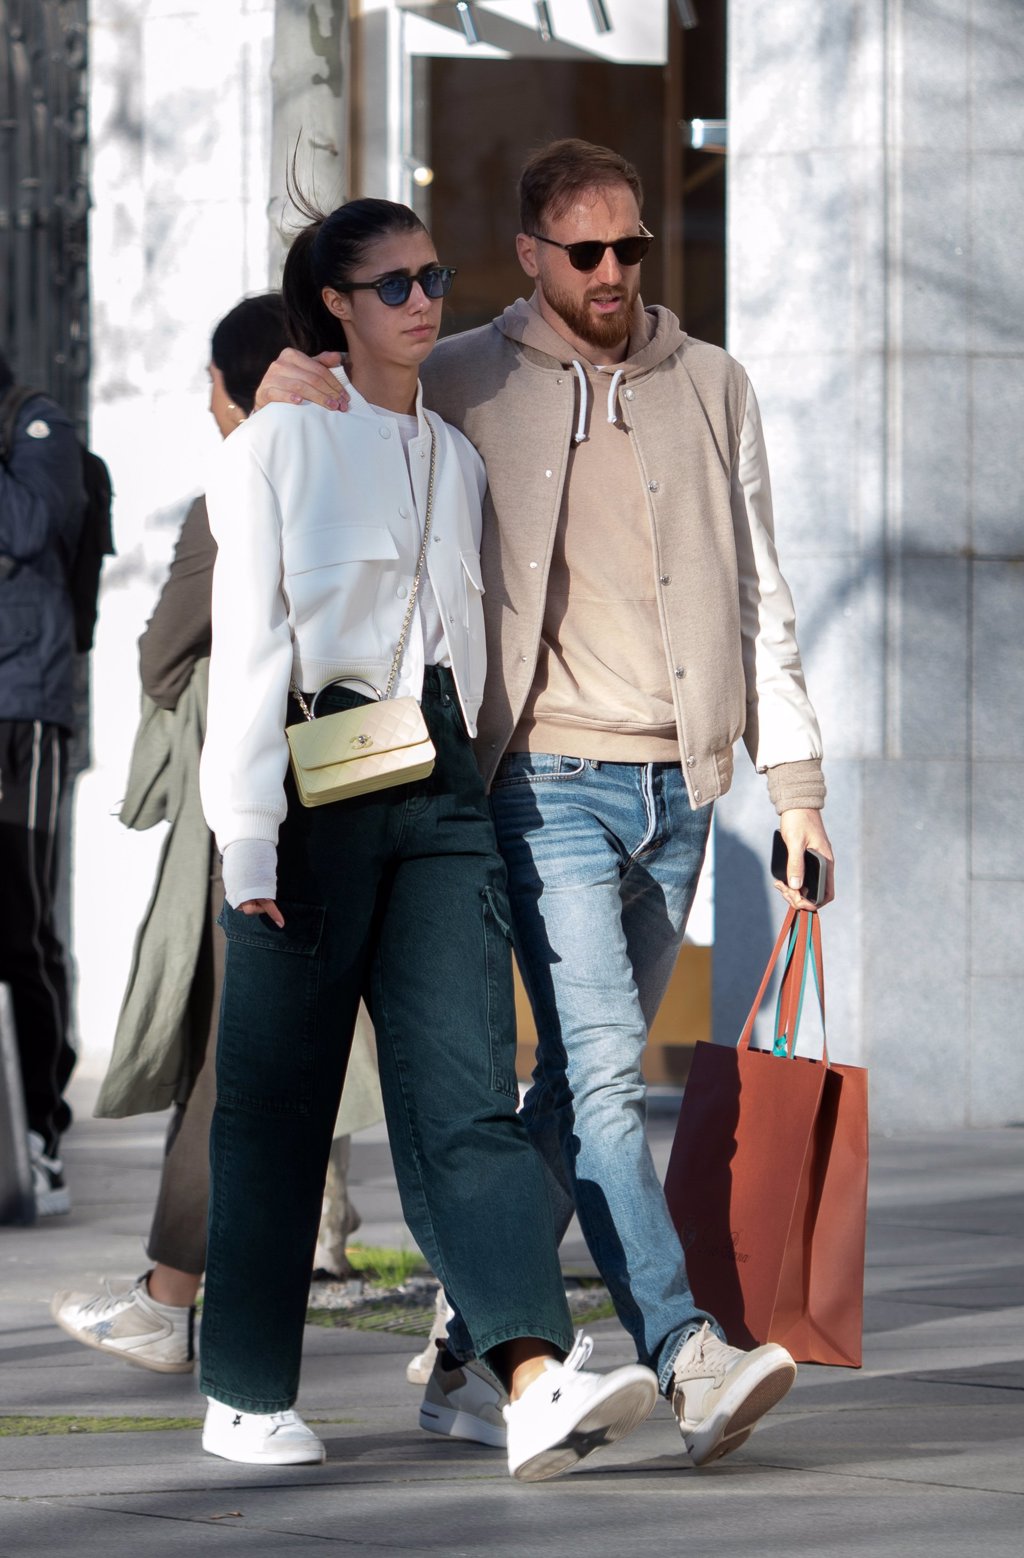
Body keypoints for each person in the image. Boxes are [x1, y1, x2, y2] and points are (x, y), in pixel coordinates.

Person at [256, 138, 835, 1468]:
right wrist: (291, 378)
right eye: (589, 253)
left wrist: (795, 786)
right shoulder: (464, 375)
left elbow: (763, 591)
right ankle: (685, 1354)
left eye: (634, 248)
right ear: (531, 255)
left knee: (578, 1098)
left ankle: (471, 1344)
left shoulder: (715, 384)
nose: (618, 272)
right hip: (543, 783)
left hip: (679, 786)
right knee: (606, 1081)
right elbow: (333, 425)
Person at [196, 194, 660, 1481]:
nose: (419, 299)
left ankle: (520, 1376)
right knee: (278, 1105)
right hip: (310, 790)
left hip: (442, 787)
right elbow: (251, 654)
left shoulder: (453, 459)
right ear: (334, 306)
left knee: (468, 1098)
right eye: (389, 284)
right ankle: (241, 1388)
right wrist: (244, 839)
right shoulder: (279, 444)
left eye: (429, 276)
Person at [50, 296, 311, 1368]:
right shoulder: (406, 456)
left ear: (241, 384)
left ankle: (168, 1296)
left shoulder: (243, 477)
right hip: (385, 793)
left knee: (231, 1057)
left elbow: (164, 655)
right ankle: (486, 1332)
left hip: (258, 810)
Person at [0, 350, 85, 1215]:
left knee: (21, 925)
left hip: (24, 706)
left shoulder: (38, 425)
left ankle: (42, 1130)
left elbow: (31, 527)